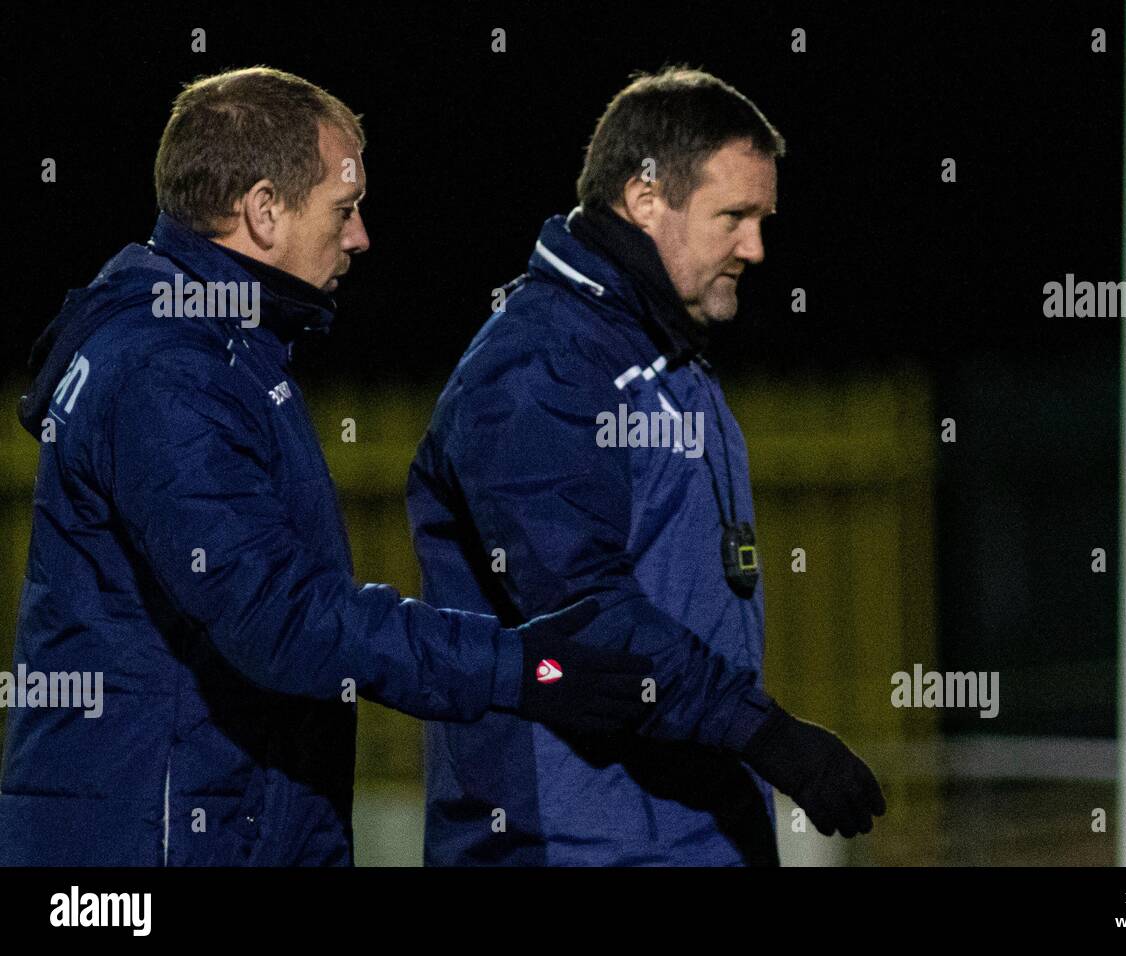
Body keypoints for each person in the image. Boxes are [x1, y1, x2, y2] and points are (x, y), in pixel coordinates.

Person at [0, 67, 652, 867]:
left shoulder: (215, 346)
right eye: (344, 209)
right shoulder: (169, 368)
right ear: (263, 209)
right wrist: (519, 664)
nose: (360, 236)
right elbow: (278, 618)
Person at [407, 67, 887, 866]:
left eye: (762, 218)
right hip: (573, 847)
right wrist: (765, 734)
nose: (756, 247)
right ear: (644, 199)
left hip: (678, 839)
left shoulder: (664, 357)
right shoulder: (539, 367)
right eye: (733, 216)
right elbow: (586, 617)